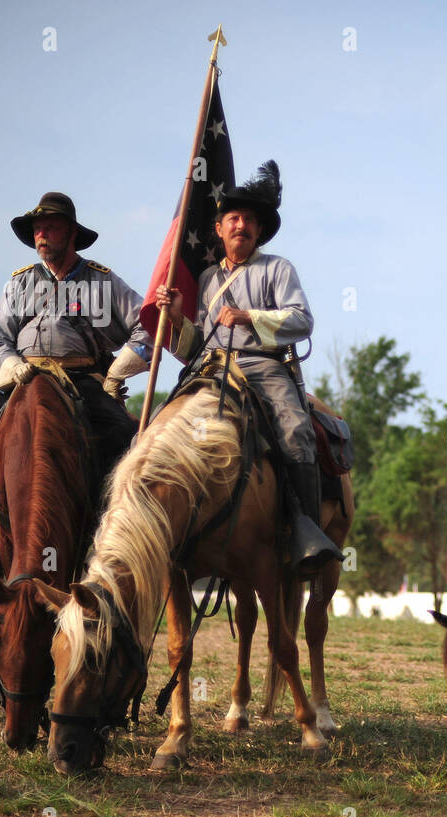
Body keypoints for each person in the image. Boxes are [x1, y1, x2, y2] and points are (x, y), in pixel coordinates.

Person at [0, 192, 154, 584]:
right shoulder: (18, 284)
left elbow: (149, 326)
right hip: (24, 380)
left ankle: (105, 542)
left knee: (125, 443)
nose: (41, 235)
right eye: (37, 229)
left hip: (83, 381)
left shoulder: (103, 282)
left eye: (50, 227)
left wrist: (121, 368)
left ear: (71, 232)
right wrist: (13, 365)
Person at [155, 160, 340, 573]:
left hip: (263, 367)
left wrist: (249, 316)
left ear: (259, 230)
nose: (241, 225)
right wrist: (178, 318)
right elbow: (195, 345)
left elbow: (302, 320)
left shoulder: (278, 268)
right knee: (156, 430)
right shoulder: (205, 279)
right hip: (209, 371)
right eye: (233, 218)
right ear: (219, 229)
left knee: (295, 429)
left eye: (249, 220)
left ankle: (305, 532)